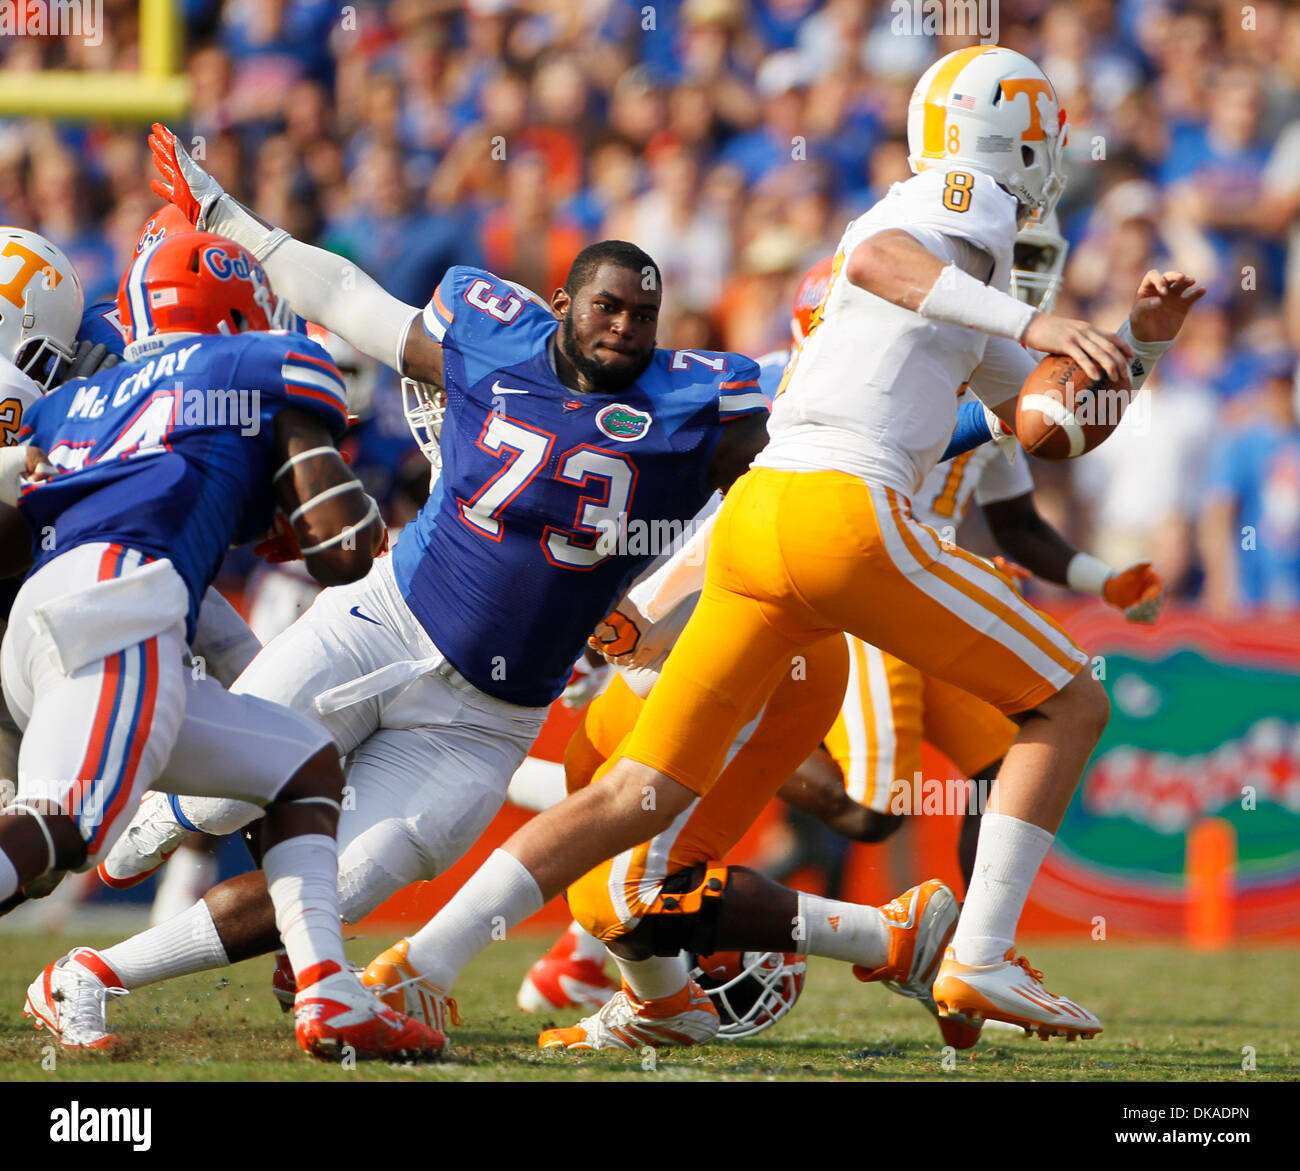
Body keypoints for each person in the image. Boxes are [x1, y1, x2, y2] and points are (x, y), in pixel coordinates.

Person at [377, 45, 1203, 1045]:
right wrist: (1041, 326)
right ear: (1013, 136)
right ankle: (977, 954)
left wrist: (1141, 342)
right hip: (840, 511)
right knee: (1070, 699)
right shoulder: (966, 201)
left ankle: (419, 961)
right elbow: (881, 260)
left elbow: (1044, 428)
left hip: (763, 520)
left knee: (636, 793)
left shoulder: (965, 282)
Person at [43, 123, 772, 1046]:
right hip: (382, 620)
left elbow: (794, 474)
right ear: (563, 303)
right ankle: (67, 830)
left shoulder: (696, 405)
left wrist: (961, 418)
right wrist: (229, 218)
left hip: (488, 719)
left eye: (643, 316)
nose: (625, 327)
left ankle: (89, 974)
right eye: (608, 307)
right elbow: (353, 300)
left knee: (341, 884)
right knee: (188, 810)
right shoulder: (491, 337)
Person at [6, 229, 441, 1061]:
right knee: (61, 828)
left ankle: (328, 988)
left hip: (46, 613)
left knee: (302, 763)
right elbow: (340, 549)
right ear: (242, 308)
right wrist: (333, 508)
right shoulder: (262, 363)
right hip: (124, 600)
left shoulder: (76, 401)